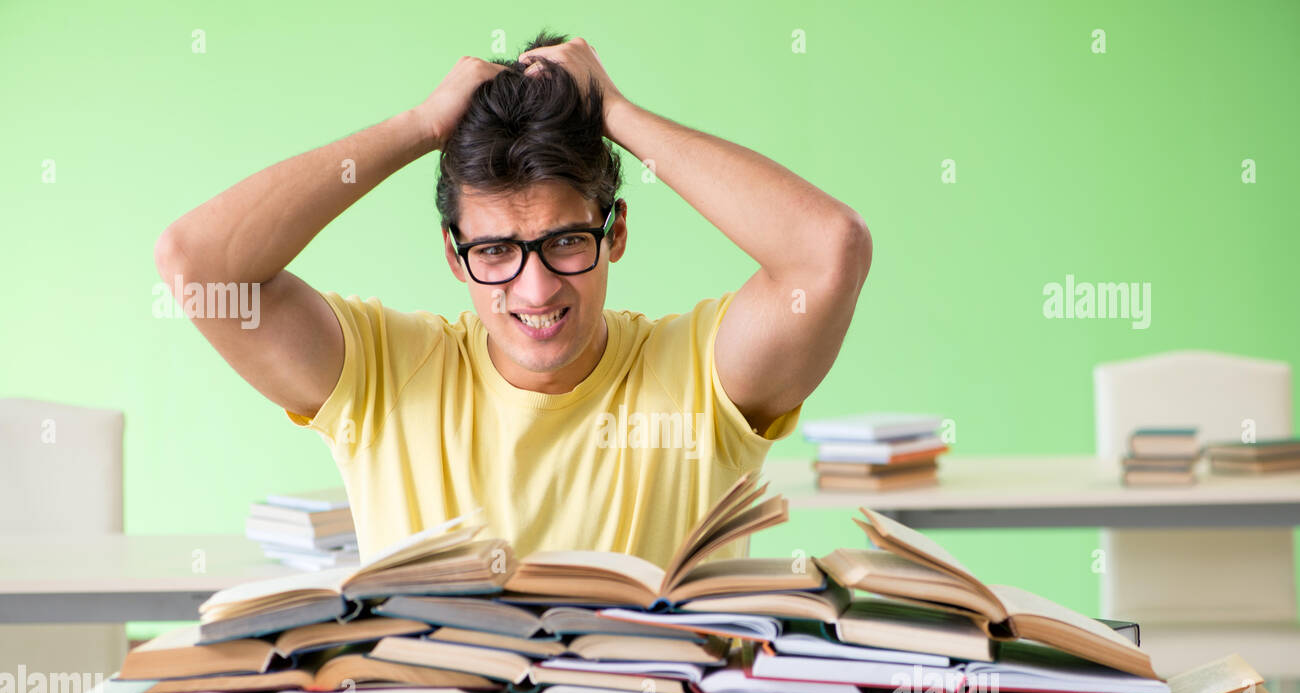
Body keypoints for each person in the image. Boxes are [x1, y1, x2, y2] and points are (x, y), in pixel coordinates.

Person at [154, 31, 871, 567]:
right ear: (452, 256)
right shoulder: (379, 374)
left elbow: (829, 250)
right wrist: (420, 126)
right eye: (495, 251)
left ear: (615, 230)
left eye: (565, 242)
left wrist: (615, 111)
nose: (535, 290)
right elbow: (199, 263)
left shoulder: (700, 379)